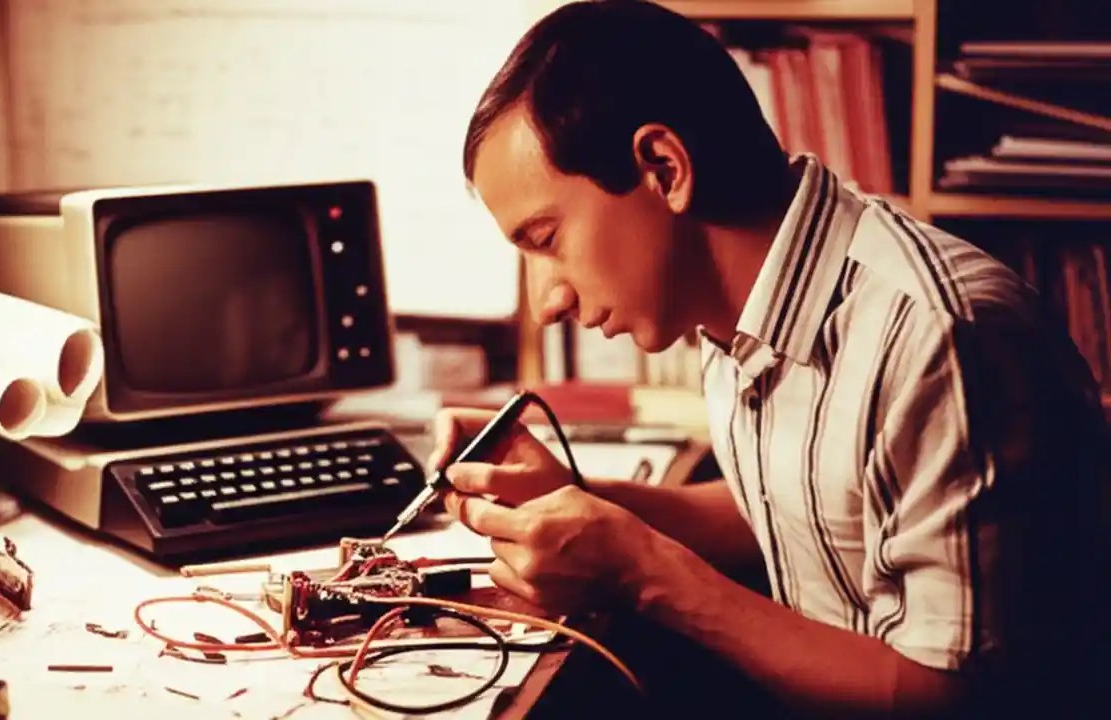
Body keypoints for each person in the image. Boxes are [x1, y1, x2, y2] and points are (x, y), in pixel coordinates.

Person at [429, 1, 1111, 717]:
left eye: (545, 239)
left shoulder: (940, 340)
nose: (546, 301)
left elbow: (950, 697)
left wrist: (646, 575)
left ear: (663, 168)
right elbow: (802, 508)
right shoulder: (742, 306)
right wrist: (573, 497)